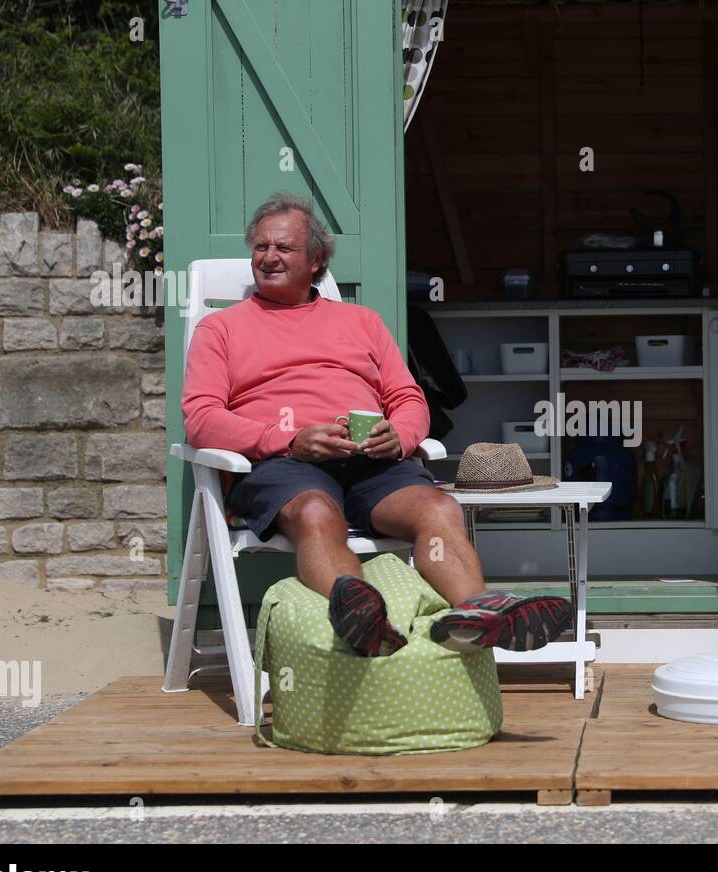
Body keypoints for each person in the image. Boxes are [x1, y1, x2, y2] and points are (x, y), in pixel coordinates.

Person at [181, 192, 569, 657]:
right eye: (261, 247)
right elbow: (201, 419)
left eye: (284, 247)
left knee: (438, 510)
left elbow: (407, 397)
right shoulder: (221, 329)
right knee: (316, 513)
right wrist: (287, 440)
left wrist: (399, 436)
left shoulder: (361, 322)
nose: (269, 257)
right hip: (286, 465)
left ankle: (480, 615)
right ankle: (368, 621)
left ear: (317, 259)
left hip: (370, 462)